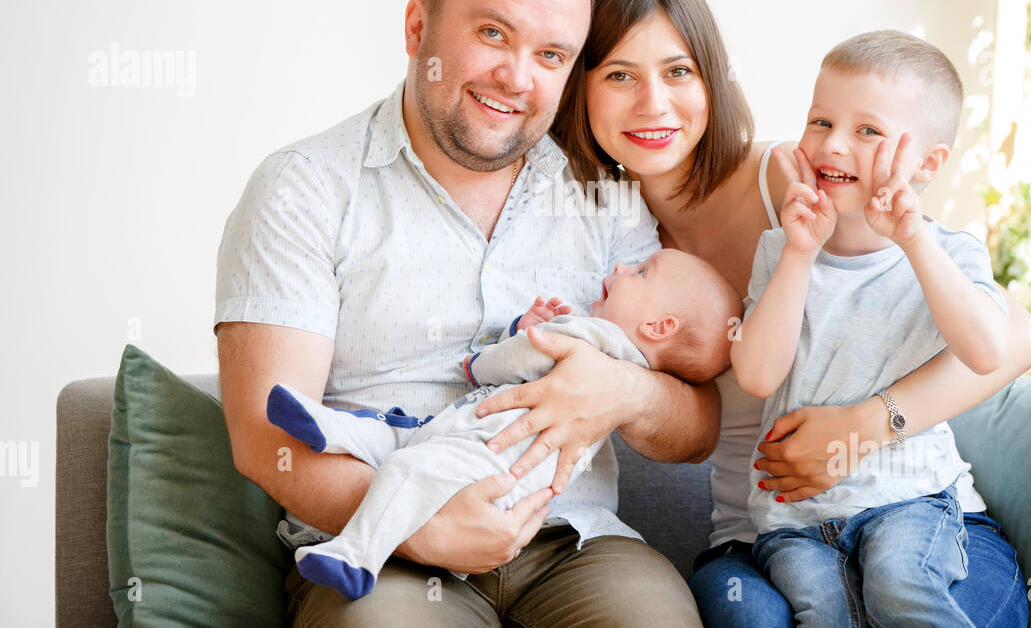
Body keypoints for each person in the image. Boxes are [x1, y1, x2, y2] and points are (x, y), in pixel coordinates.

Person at [214, 0, 718, 628]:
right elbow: (269, 437)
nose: (517, 77)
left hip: (572, 544)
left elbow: (698, 424)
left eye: (551, 55)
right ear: (418, 27)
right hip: (383, 539)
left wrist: (629, 391)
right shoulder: (306, 188)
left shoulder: (603, 192)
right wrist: (420, 524)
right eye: (492, 34)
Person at [543, 0, 1031, 628]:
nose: (654, 104)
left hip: (912, 515)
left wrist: (867, 425)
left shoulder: (797, 185)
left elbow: (1017, 337)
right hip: (766, 540)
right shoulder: (596, 245)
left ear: (712, 81)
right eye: (618, 75)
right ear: (581, 90)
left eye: (678, 71)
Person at [265, 247, 741, 600]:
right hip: (502, 469)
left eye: (638, 272)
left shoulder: (593, 335)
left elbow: (512, 358)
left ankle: (356, 554)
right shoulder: (618, 357)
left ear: (658, 327)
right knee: (402, 439)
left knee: (404, 462)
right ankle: (329, 427)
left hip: (485, 455)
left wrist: (496, 350)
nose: (619, 268)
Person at [734, 30, 1010, 628]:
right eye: (821, 120)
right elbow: (756, 374)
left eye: (868, 131)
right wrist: (800, 255)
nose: (833, 144)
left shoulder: (948, 253)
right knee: (825, 618)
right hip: (795, 522)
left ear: (928, 164)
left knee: (899, 589)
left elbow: (989, 351)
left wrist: (913, 237)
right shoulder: (781, 248)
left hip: (908, 501)